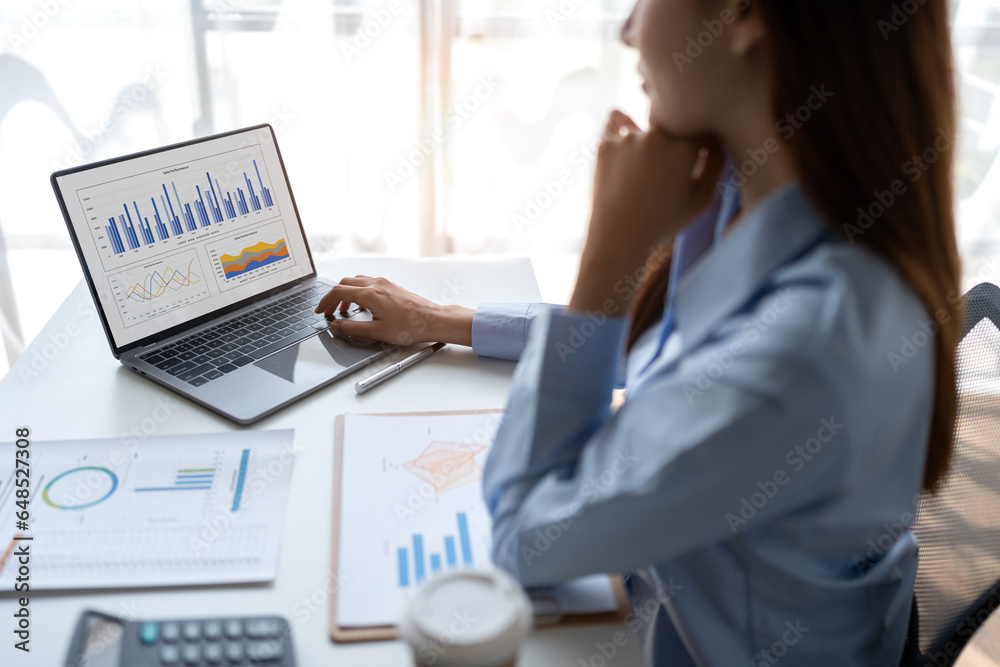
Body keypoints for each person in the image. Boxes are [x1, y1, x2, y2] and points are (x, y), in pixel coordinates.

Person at [316, 0, 961, 663]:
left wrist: (608, 262)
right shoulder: (752, 198)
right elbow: (649, 351)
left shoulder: (804, 349)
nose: (628, 30)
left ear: (744, 15)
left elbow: (522, 536)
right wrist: (440, 320)